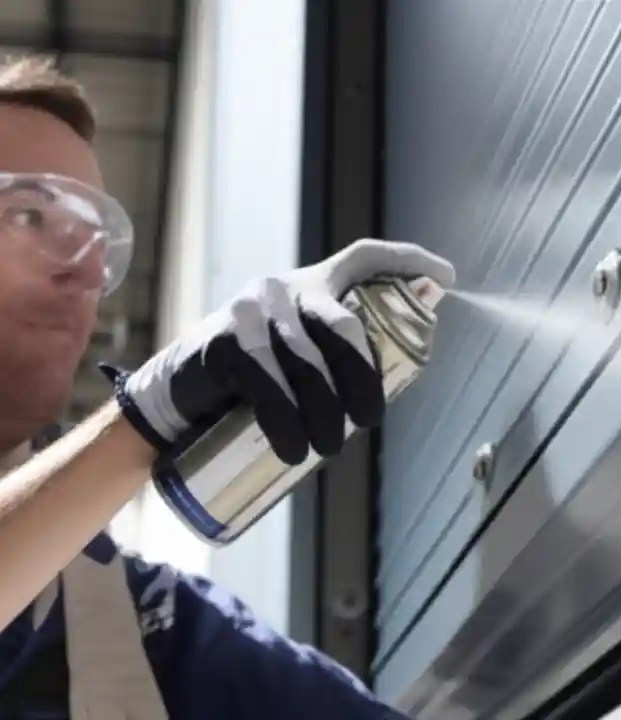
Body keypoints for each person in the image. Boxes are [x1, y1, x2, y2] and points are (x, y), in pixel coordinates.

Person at [0, 56, 455, 718]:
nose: (85, 273)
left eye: (97, 239)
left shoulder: (140, 621)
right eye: (28, 216)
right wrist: (145, 419)